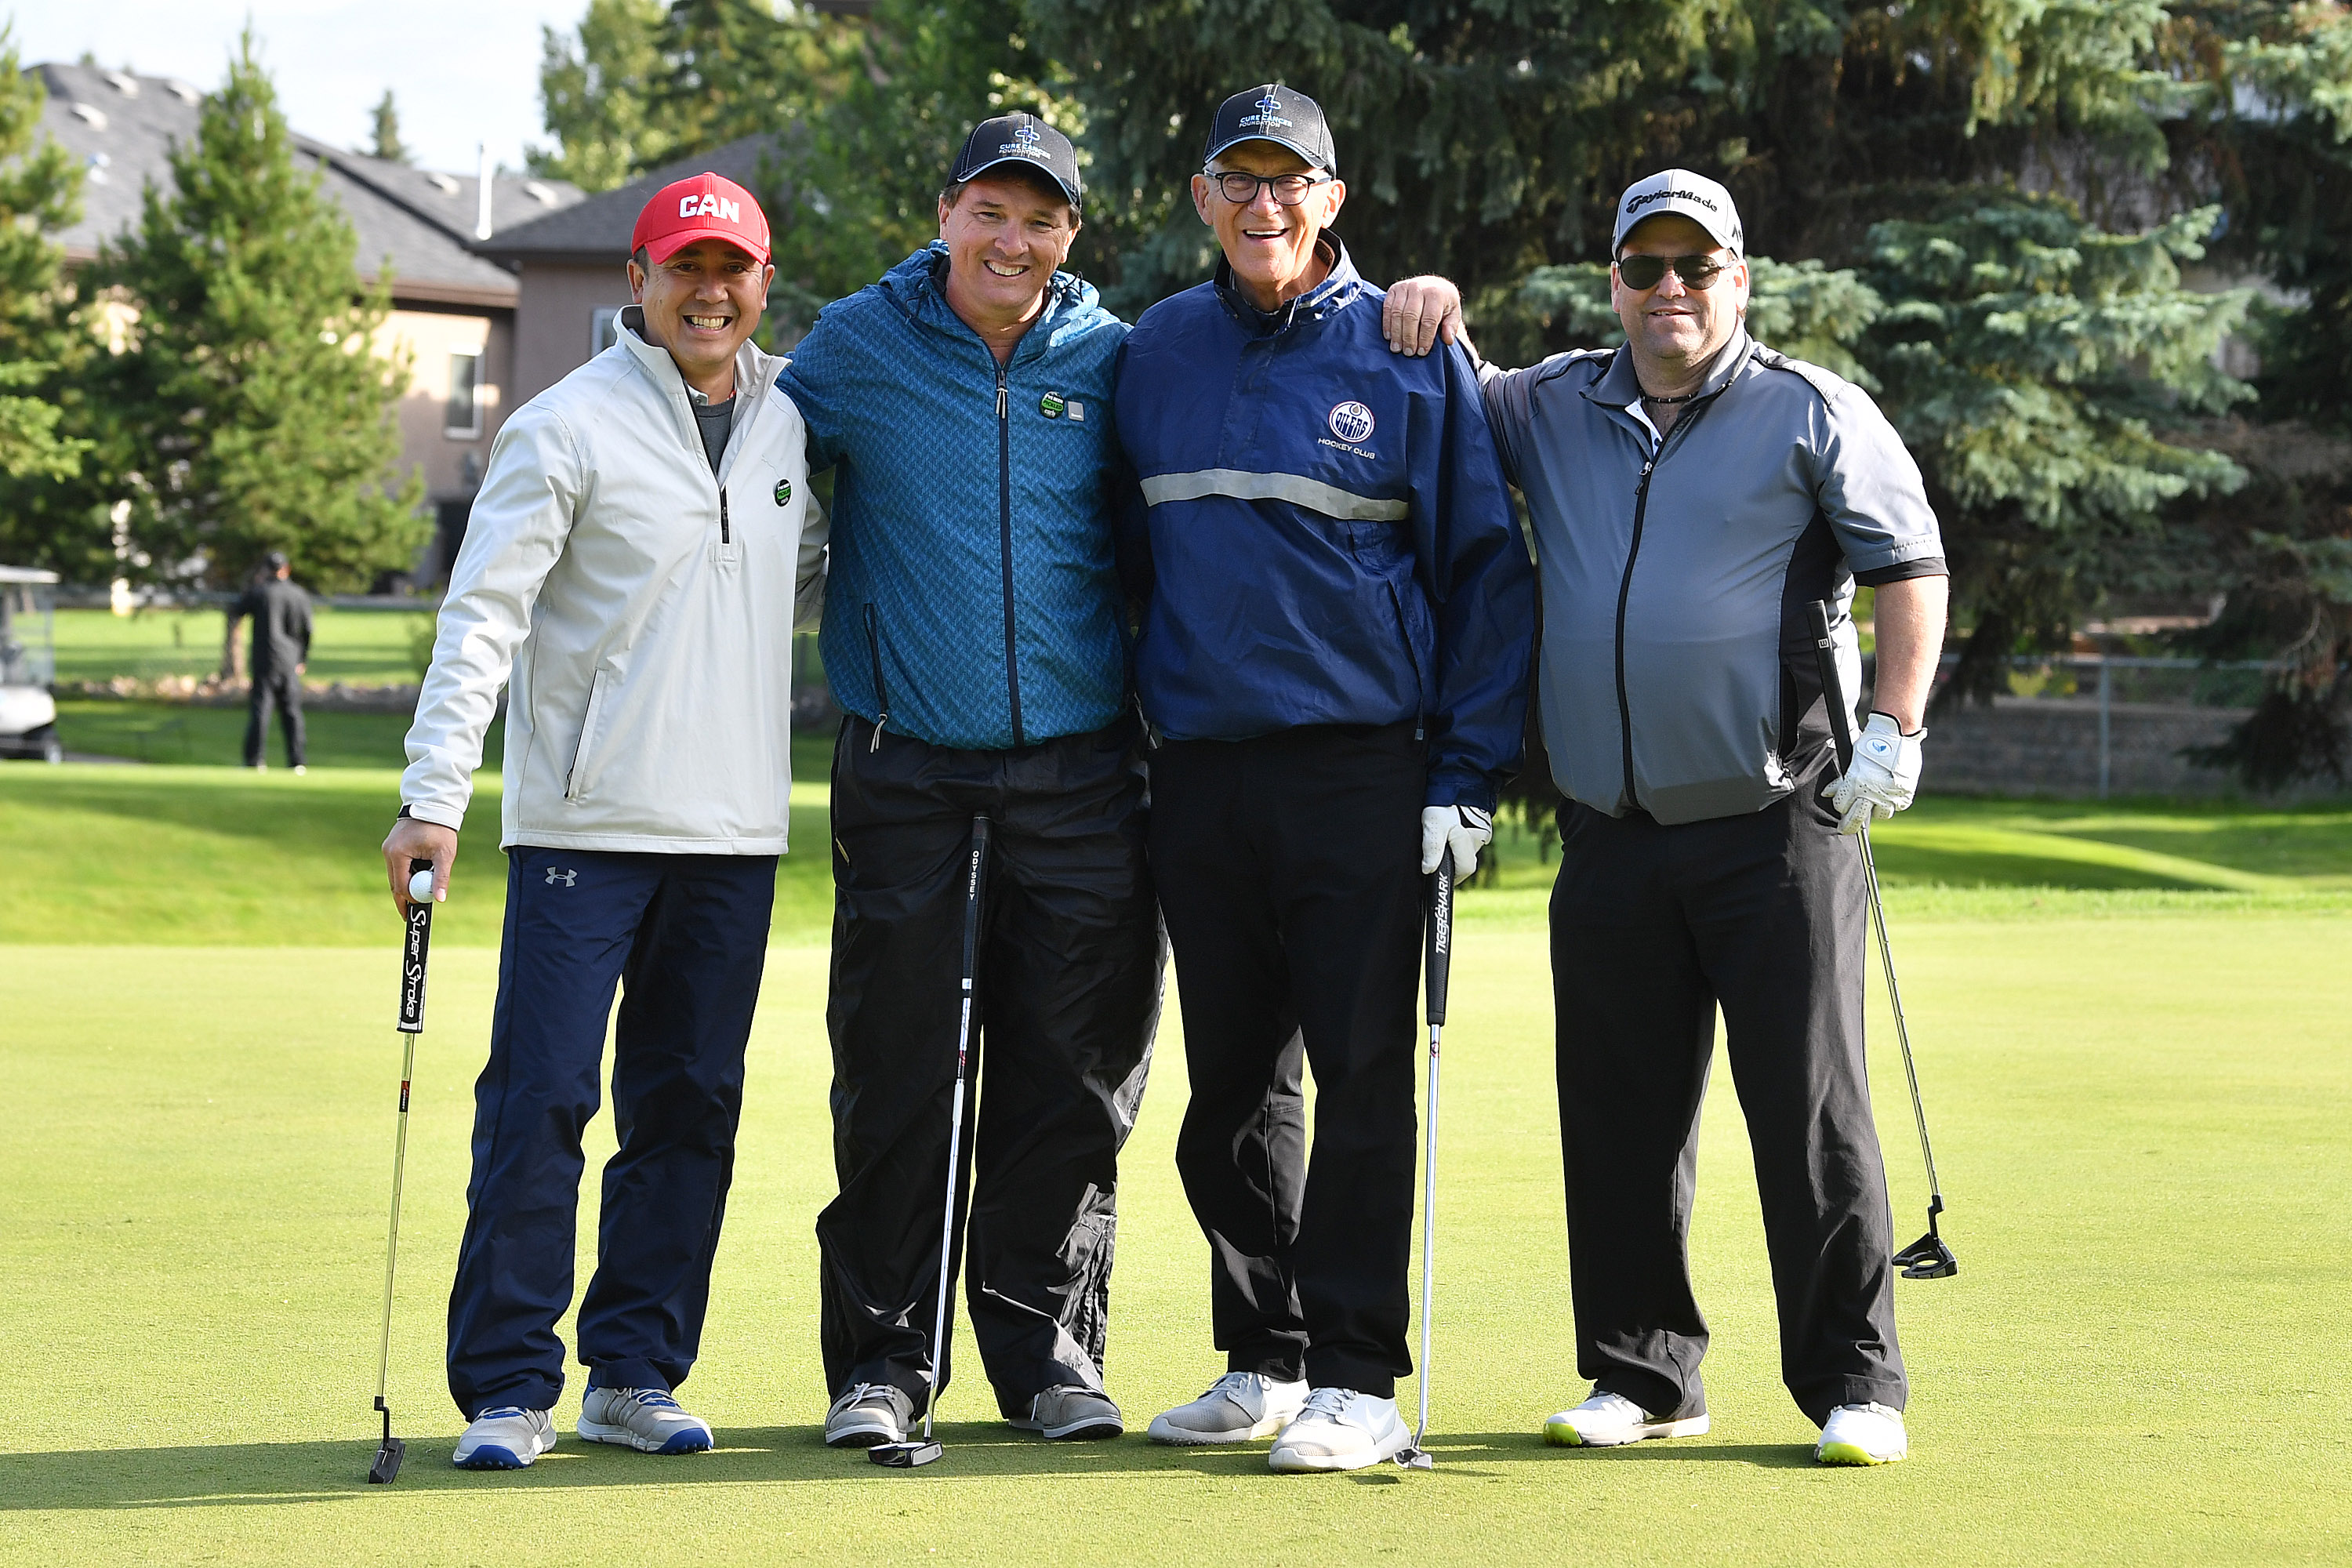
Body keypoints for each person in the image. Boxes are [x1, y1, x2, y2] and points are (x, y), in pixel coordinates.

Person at [777, 111, 1469, 1454]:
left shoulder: (1116, 353)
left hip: (1092, 769)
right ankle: (882, 1363)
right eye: (990, 211)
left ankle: (1046, 1356)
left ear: (1072, 234)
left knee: (1076, 1077)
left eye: (1040, 218)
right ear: (944, 215)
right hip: (909, 765)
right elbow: (737, 423)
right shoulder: (858, 347)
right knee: (898, 1068)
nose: (1012, 239)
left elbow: (1403, 424)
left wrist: (1421, 295)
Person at [1470, 169, 1948, 1466]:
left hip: (1777, 821)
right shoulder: (1552, 403)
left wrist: (1895, 728)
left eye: (1696, 267)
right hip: (1611, 830)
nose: (1668, 290)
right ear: (1613, 282)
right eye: (1644, 268)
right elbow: (1444, 382)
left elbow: (1909, 569)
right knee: (1616, 1115)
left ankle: (1857, 1385)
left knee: (1806, 1109)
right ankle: (1644, 1375)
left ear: (1739, 279)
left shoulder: (1809, 410)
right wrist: (1422, 298)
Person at [1114, 83, 1534, 1473]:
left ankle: (1359, 1374)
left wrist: (1466, 771)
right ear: (1202, 198)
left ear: (1332, 202)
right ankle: (1264, 1354)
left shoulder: (1410, 344)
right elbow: (1119, 563)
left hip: (1365, 770)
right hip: (1202, 774)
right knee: (1231, 1086)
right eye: (1238, 180)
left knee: (1361, 1079)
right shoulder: (1155, 351)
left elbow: (1483, 572)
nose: (1263, 205)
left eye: (1289, 183)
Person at [380, 173, 827, 1471]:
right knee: (540, 1104)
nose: (710, 291)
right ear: (638, 282)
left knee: (689, 1111)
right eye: (683, 268)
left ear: (762, 280)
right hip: (583, 826)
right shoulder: (560, 426)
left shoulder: (798, 415)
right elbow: (481, 622)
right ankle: (510, 1388)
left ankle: (633, 1371)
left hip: (735, 834)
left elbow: (798, 574)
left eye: (732, 268)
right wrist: (432, 796)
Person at [232, 551, 310, 771]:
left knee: (261, 710)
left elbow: (237, 608)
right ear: (286, 569)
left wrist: (256, 583)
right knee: (292, 713)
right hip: (290, 661)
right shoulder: (299, 594)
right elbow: (308, 630)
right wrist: (302, 658)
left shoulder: (261, 593)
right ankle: (297, 761)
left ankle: (255, 760)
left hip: (265, 660)